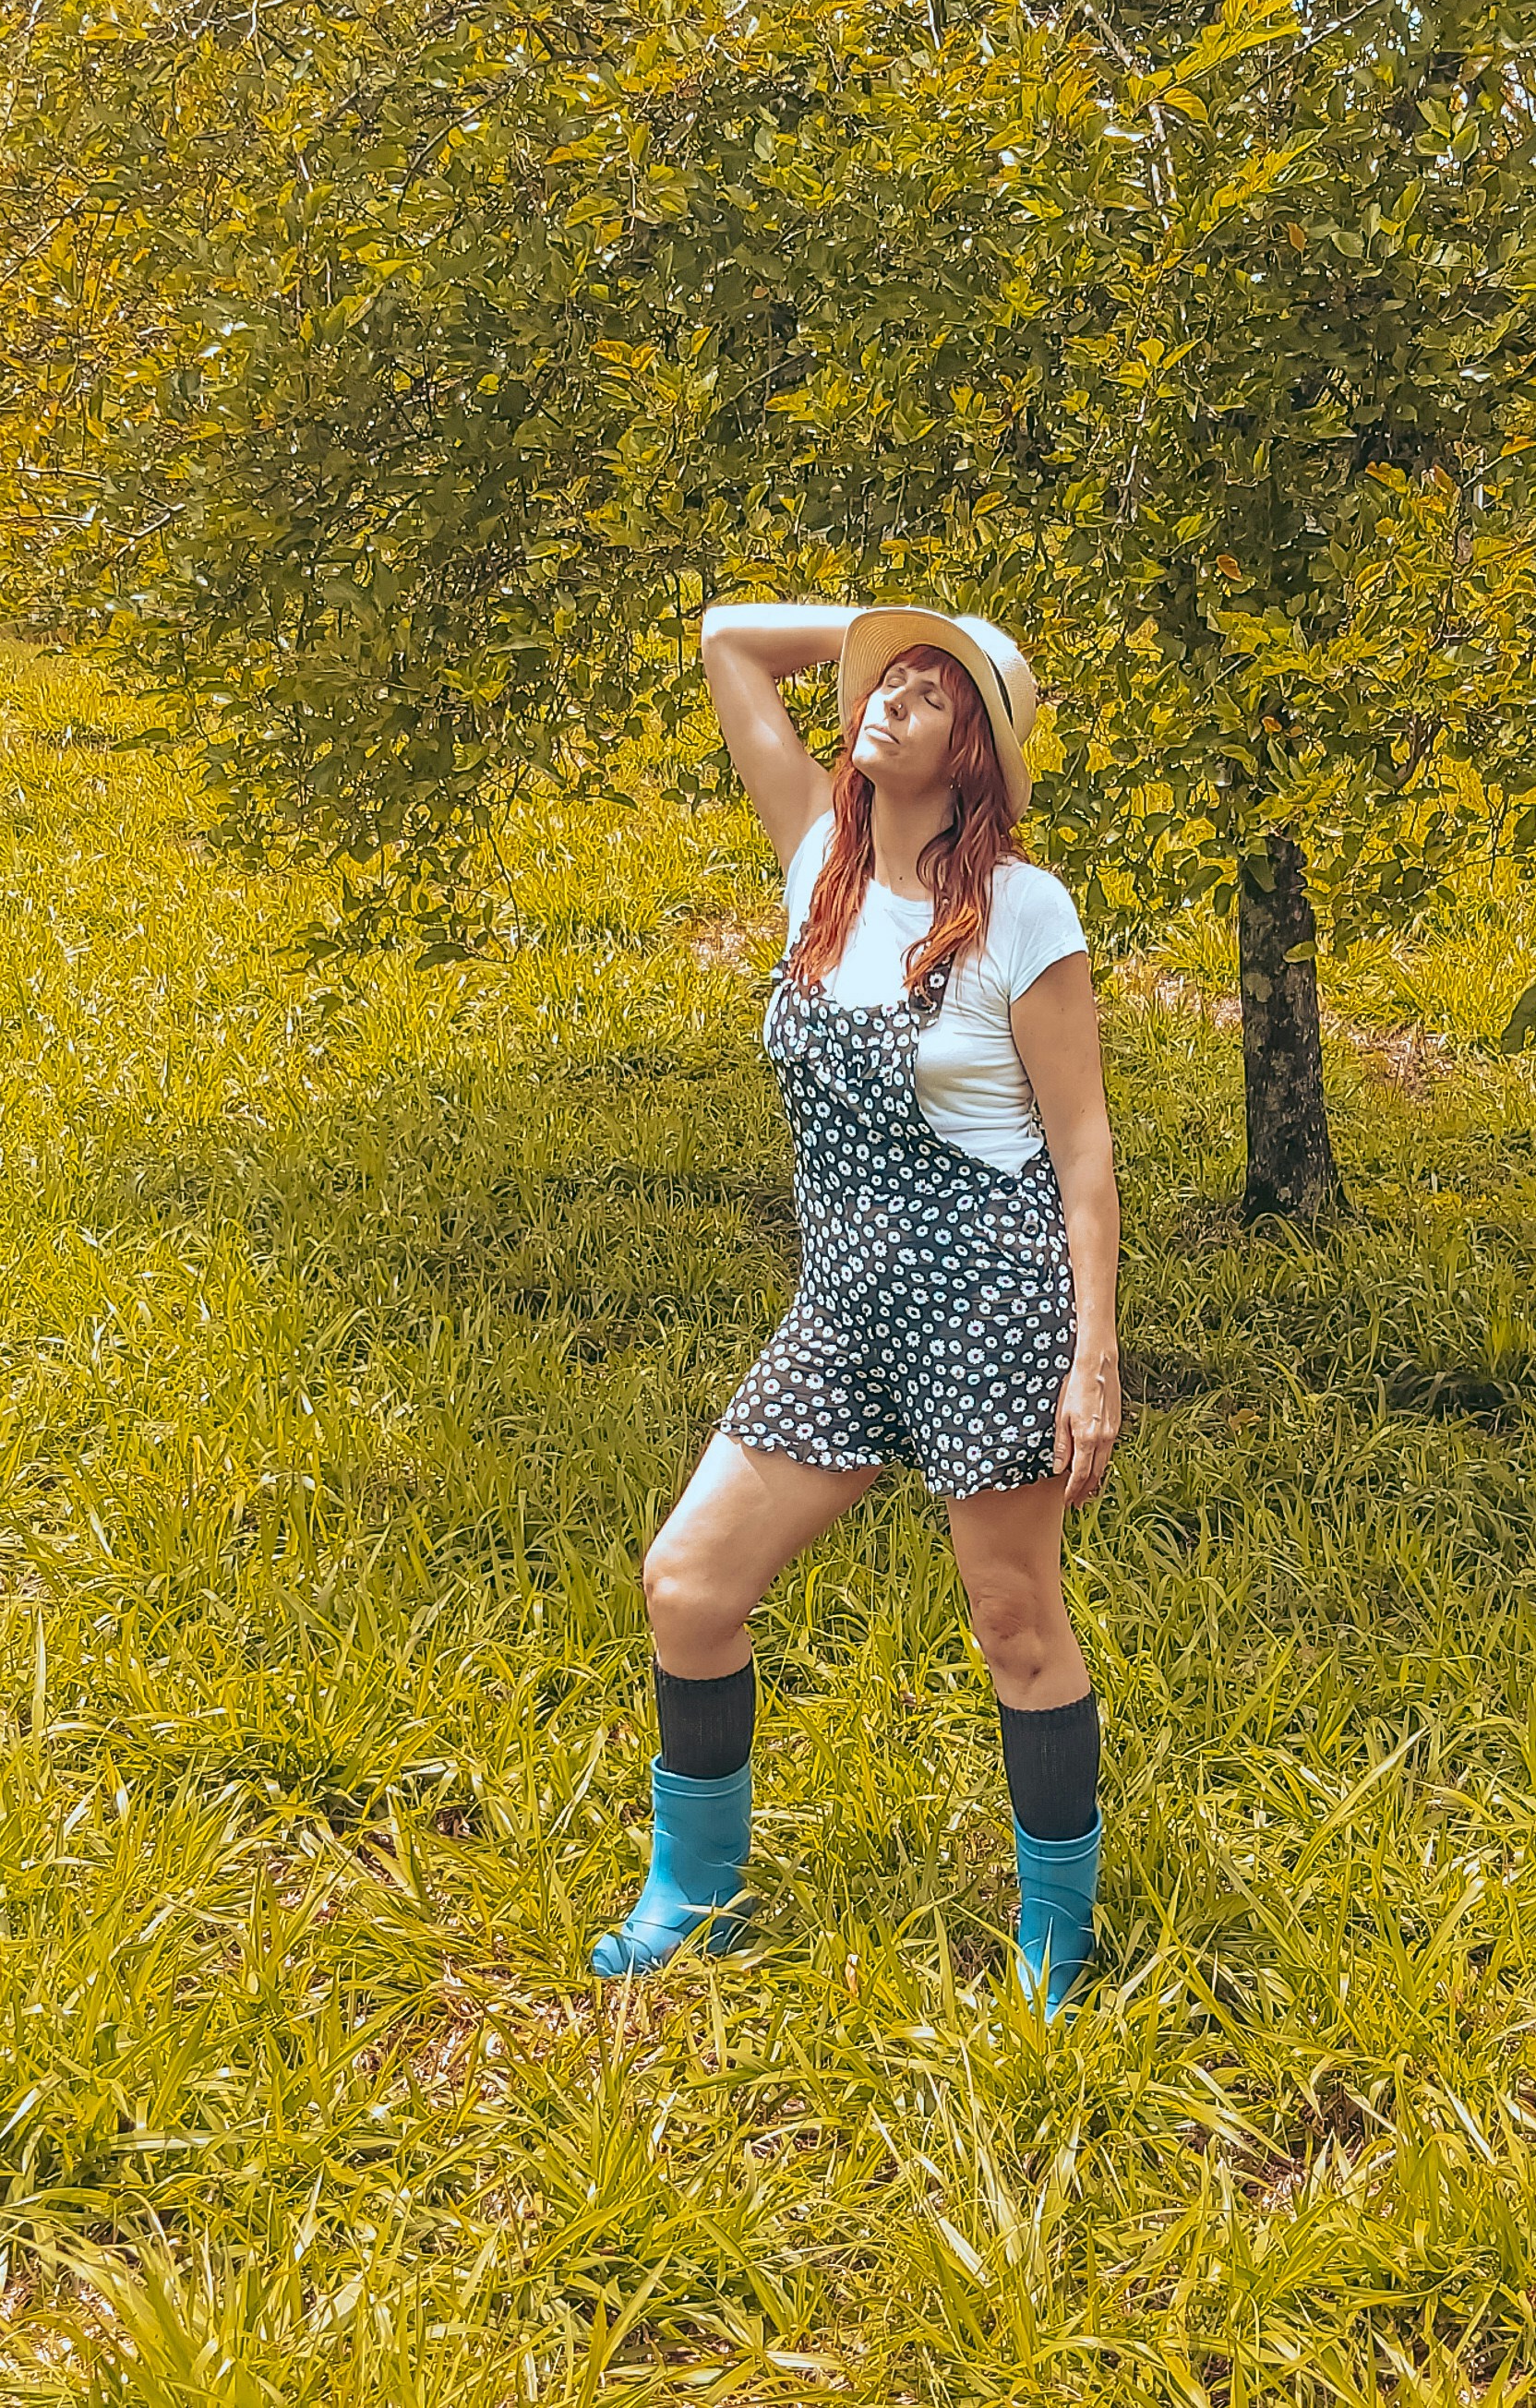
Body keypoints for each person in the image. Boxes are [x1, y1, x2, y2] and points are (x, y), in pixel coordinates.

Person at [591, 600, 1123, 2018]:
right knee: (690, 1587)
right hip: (843, 1301)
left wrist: (1094, 1356)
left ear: (978, 755)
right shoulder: (817, 855)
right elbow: (721, 638)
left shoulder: (1024, 906)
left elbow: (1081, 1144)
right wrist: (899, 630)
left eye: (933, 695)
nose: (891, 698)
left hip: (988, 1291)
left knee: (1013, 1617)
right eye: (886, 683)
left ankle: (1054, 1935)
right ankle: (694, 1893)